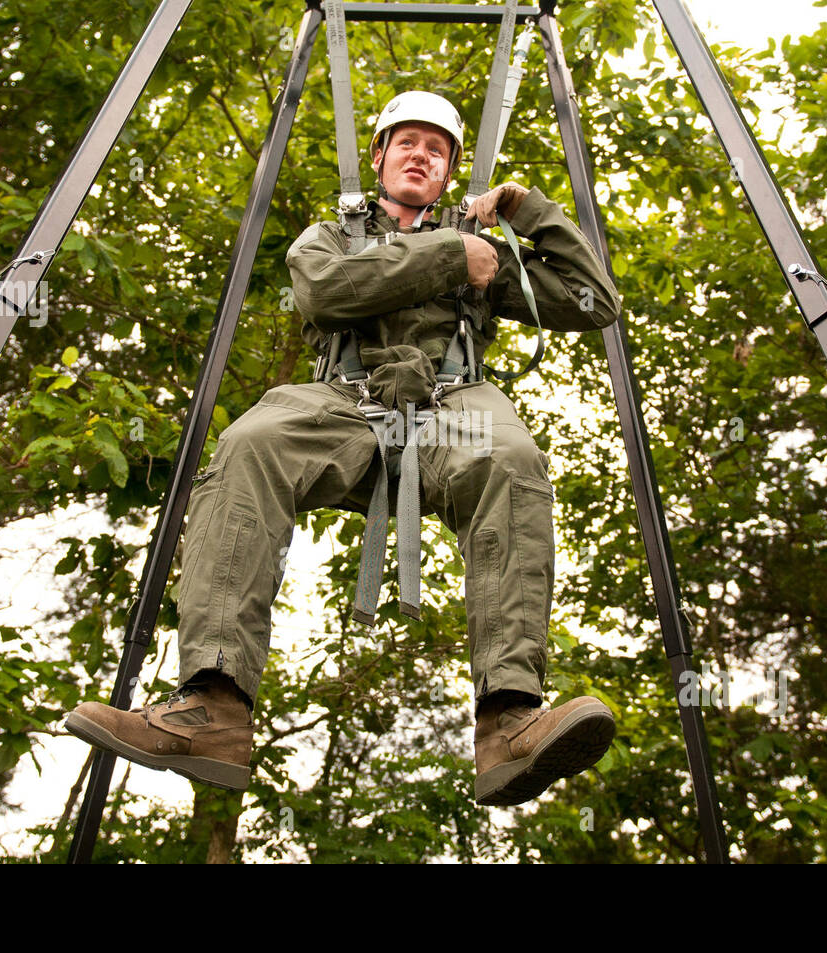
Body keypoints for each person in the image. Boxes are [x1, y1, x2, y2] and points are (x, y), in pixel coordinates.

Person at [66, 90, 622, 807]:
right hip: (342, 399)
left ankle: (509, 717)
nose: (420, 155)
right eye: (407, 143)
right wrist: (455, 256)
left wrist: (530, 214)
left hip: (453, 401)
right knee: (249, 443)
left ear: (450, 174)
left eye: (437, 149)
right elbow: (326, 292)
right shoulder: (331, 235)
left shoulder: (490, 249)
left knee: (510, 459)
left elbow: (592, 301)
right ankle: (214, 702)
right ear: (382, 156)